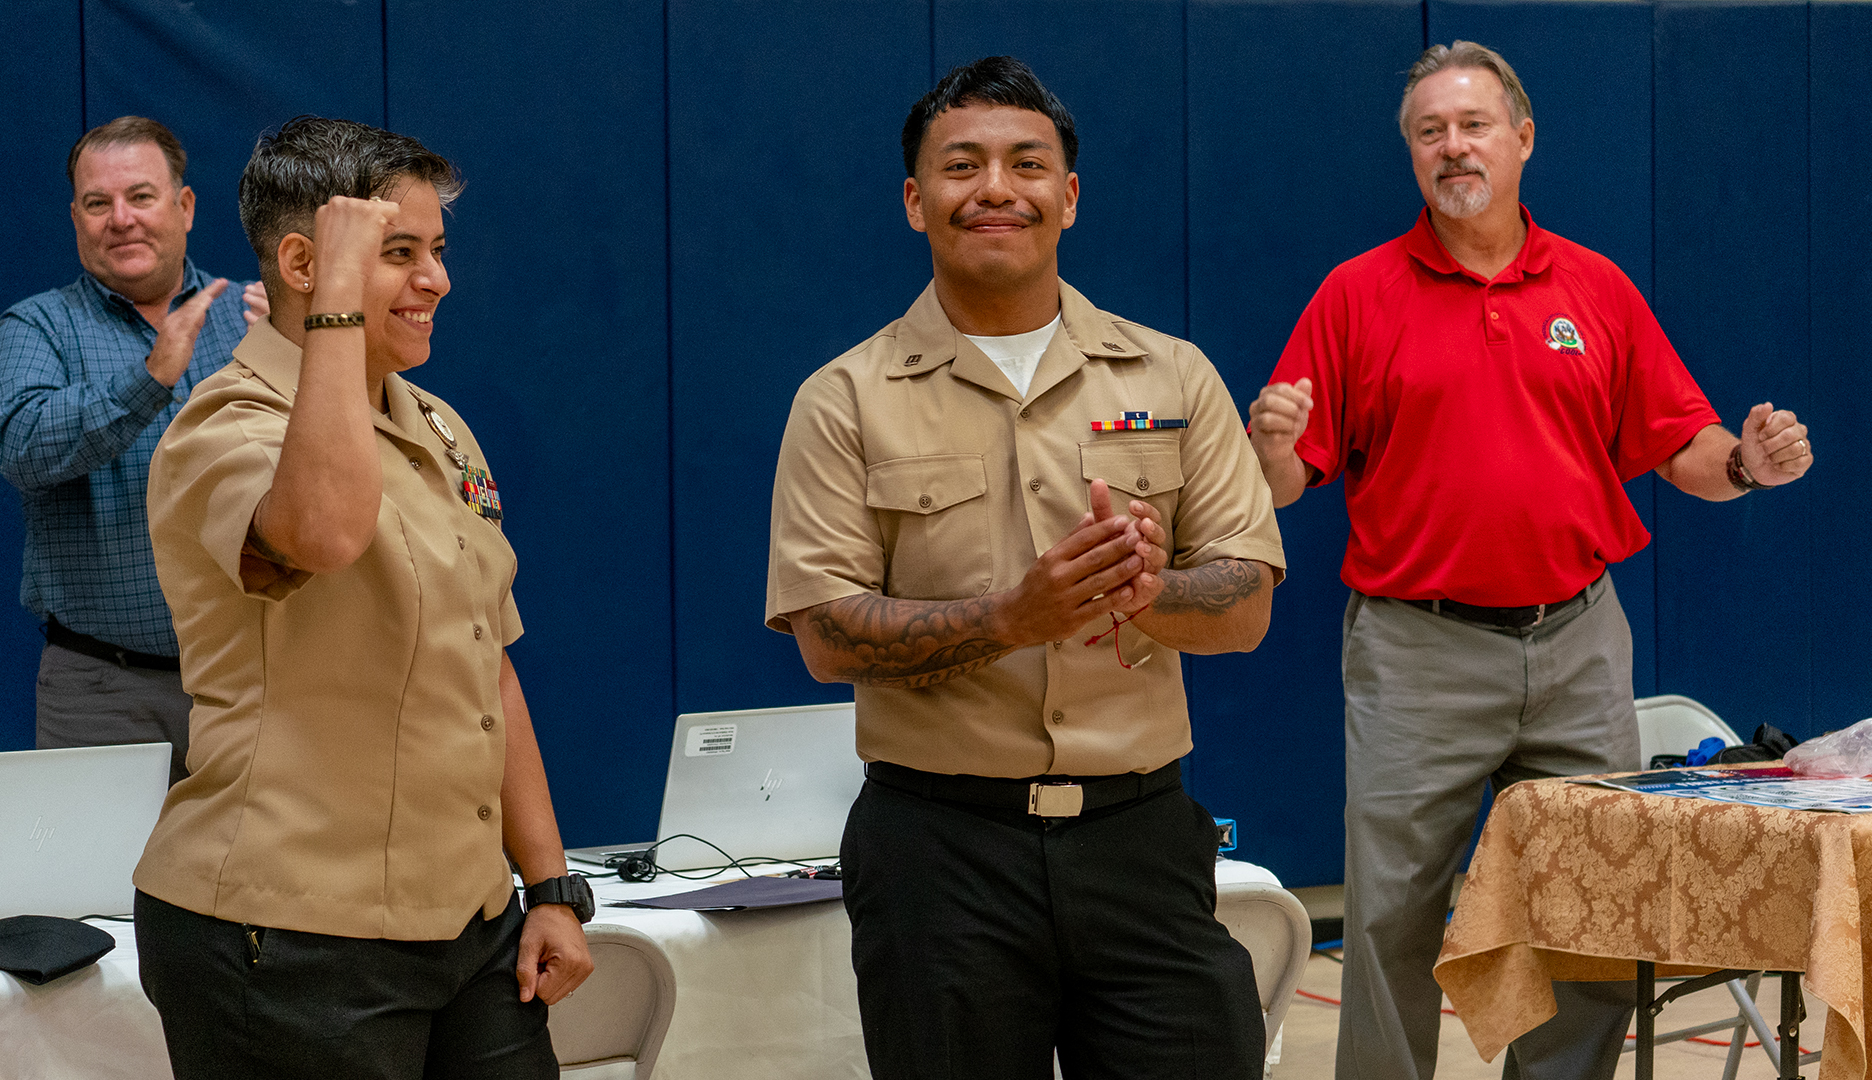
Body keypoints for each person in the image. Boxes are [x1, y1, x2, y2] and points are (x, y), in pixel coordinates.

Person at [1247, 41, 1814, 1080]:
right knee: (1389, 921)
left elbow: (1677, 444)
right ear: (1411, 153)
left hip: (1575, 640)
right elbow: (1286, 484)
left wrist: (1745, 463)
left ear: (1523, 139)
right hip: (1417, 651)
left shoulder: (1594, 288)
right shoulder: (1355, 295)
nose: (1453, 148)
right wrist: (1274, 449)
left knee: (1589, 910)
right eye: (1430, 132)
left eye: (1471, 126)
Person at [767, 56, 1287, 1080]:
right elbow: (827, 638)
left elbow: (1247, 604)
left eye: (1026, 164)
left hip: (1139, 840)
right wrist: (1014, 615)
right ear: (918, 202)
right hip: (940, 853)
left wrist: (1153, 591)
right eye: (961, 167)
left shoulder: (1173, 375)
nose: (996, 189)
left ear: (1070, 196)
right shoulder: (844, 399)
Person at [132, 116, 592, 1078]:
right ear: (304, 264)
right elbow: (324, 532)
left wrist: (547, 885)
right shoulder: (223, 426)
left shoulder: (434, 423)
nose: (438, 280)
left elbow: (486, 665)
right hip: (287, 933)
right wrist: (337, 300)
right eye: (398, 254)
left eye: (436, 251)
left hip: (466, 921)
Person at [0, 116, 267, 784]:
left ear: (184, 207)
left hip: (255, 686)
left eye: (141, 196)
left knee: (254, 889)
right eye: (98, 204)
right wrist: (150, 377)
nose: (121, 220)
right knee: (99, 892)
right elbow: (21, 448)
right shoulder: (38, 326)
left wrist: (301, 368)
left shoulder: (255, 317)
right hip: (102, 692)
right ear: (76, 218)